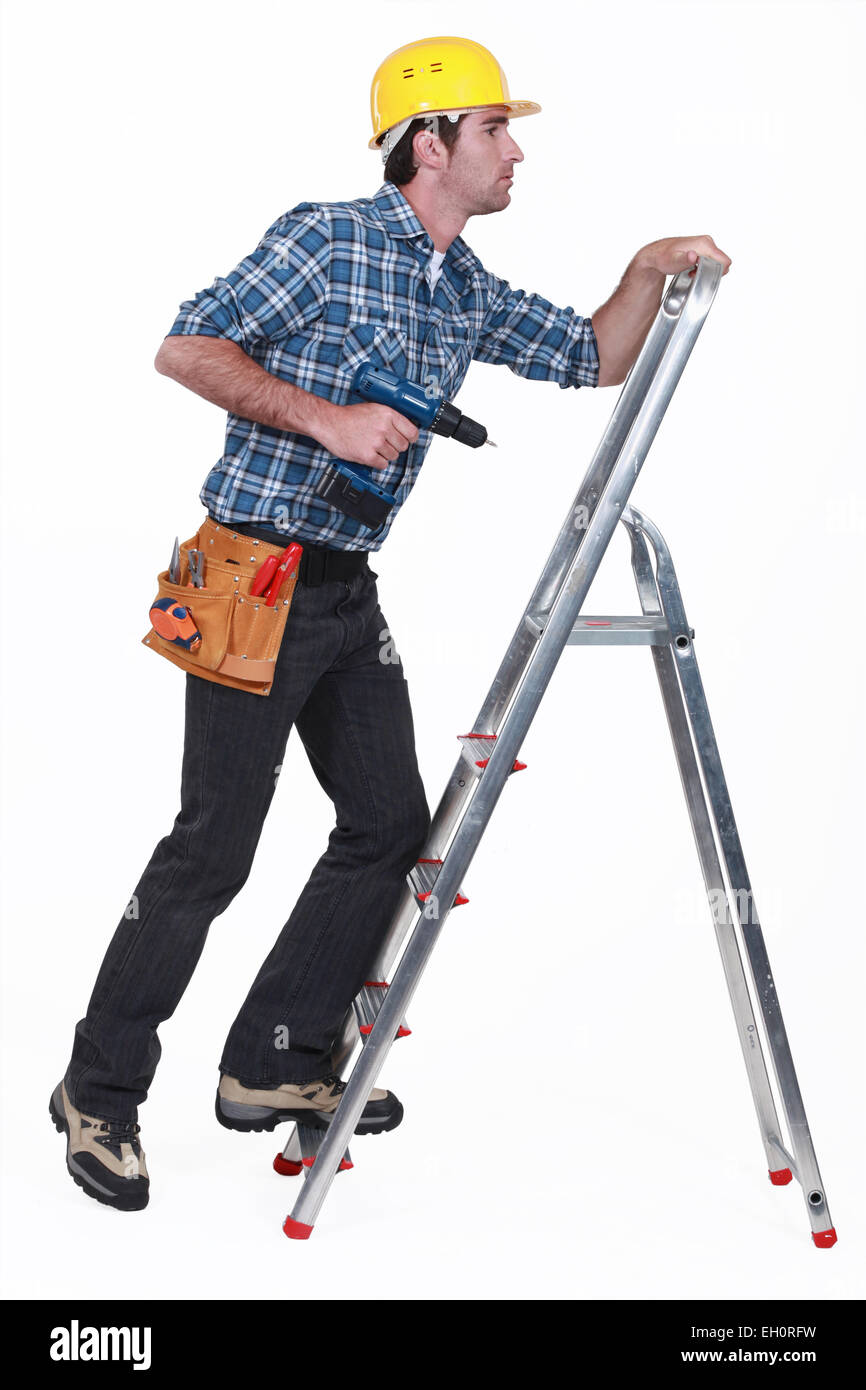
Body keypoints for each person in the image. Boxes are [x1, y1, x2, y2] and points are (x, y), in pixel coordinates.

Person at [51, 34, 731, 1212]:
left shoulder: (458, 284)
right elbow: (185, 342)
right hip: (250, 574)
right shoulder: (327, 238)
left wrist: (646, 264)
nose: (513, 152)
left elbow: (591, 354)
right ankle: (97, 1093)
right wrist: (326, 418)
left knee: (386, 825)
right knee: (211, 851)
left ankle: (271, 1062)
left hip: (342, 587)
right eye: (493, 131)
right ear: (430, 142)